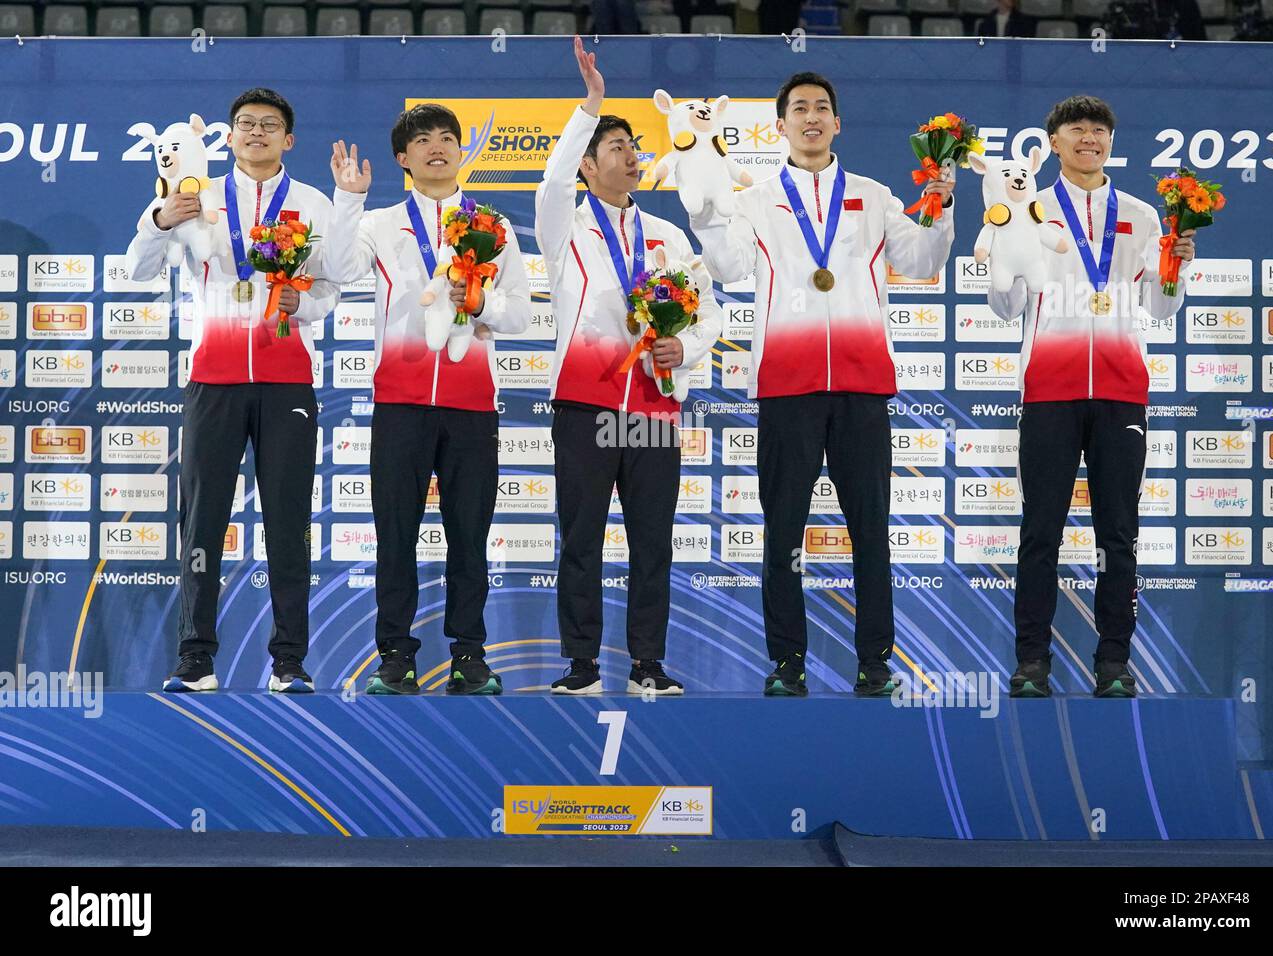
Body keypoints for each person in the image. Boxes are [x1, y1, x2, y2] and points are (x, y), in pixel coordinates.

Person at [689, 72, 955, 696]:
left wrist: (941, 207)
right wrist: (704, 210)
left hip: (863, 384)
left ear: (838, 124)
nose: (812, 116)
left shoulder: (874, 193)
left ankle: (875, 662)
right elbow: (727, 268)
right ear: (779, 126)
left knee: (870, 529)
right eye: (800, 108)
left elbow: (923, 262)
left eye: (823, 108)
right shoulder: (755, 200)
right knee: (783, 529)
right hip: (787, 383)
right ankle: (787, 662)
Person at [126, 88, 339, 693]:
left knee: (288, 521)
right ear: (229, 134)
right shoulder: (196, 194)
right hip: (213, 380)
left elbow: (329, 291)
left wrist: (306, 301)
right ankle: (196, 657)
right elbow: (139, 268)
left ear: (288, 139)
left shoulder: (312, 203)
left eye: (269, 125)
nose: (256, 133)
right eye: (245, 124)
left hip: (286, 379)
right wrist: (159, 219)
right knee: (202, 521)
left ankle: (290, 661)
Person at [987, 95, 1196, 698]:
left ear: (1110, 142)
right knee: (1039, 532)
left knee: (1118, 534)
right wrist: (1002, 256)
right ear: (1052, 142)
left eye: (1099, 130)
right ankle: (1032, 662)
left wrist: (1179, 270)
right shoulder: (1025, 209)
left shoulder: (1143, 216)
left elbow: (1160, 307)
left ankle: (1114, 662)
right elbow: (1005, 308)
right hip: (1050, 388)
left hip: (1121, 389)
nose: (1089, 137)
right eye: (1076, 128)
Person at [534, 37, 722, 695]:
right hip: (586, 404)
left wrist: (686, 349)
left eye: (633, 147)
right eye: (616, 147)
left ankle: (647, 664)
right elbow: (552, 179)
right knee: (581, 539)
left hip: (652, 407)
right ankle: (582, 664)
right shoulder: (564, 227)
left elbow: (712, 315)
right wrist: (591, 106)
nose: (631, 155)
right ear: (589, 167)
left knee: (652, 543)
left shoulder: (668, 237)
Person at [324, 105, 530, 695]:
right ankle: (396, 657)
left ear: (462, 152)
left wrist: (479, 305)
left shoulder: (493, 227)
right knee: (396, 534)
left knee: (469, 535)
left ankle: (469, 655)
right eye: (422, 140)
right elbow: (338, 268)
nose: (436, 147)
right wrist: (346, 200)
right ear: (402, 159)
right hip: (401, 399)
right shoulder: (380, 224)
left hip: (471, 404)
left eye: (447, 138)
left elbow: (518, 310)